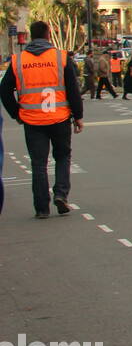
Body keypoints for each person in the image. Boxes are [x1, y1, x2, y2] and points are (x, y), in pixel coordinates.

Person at [0, 20, 84, 217]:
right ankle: (61, 194)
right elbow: (73, 90)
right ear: (48, 35)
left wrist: (16, 113)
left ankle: (41, 208)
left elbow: (4, 91)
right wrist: (78, 116)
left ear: (31, 35)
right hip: (60, 117)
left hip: (32, 120)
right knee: (62, 157)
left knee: (38, 164)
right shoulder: (60, 58)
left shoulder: (18, 60)